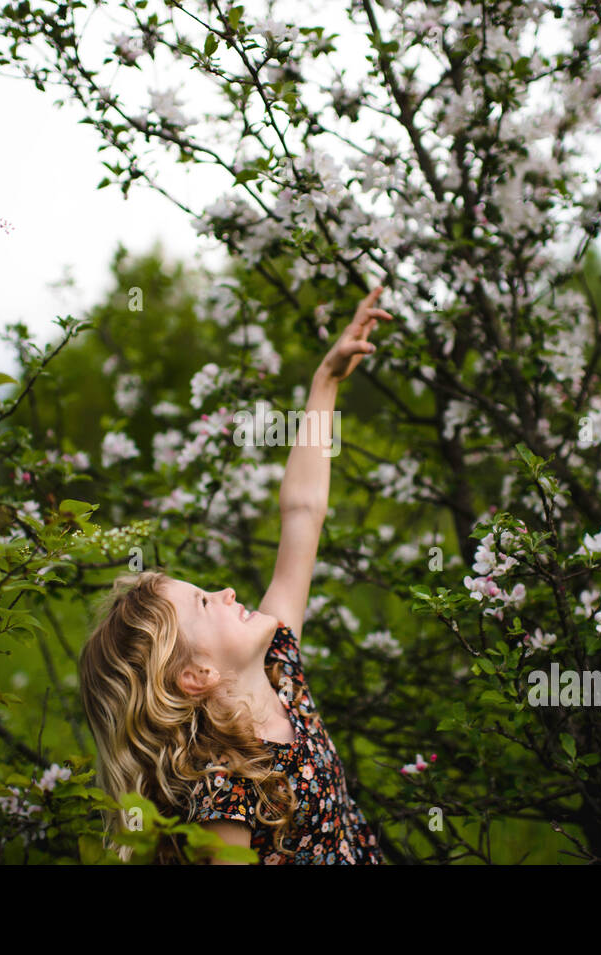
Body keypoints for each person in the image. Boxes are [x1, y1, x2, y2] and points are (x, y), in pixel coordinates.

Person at [79, 285, 393, 863]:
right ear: (196, 675)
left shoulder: (280, 673)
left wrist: (326, 381)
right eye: (204, 604)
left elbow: (303, 513)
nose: (226, 592)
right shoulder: (225, 794)